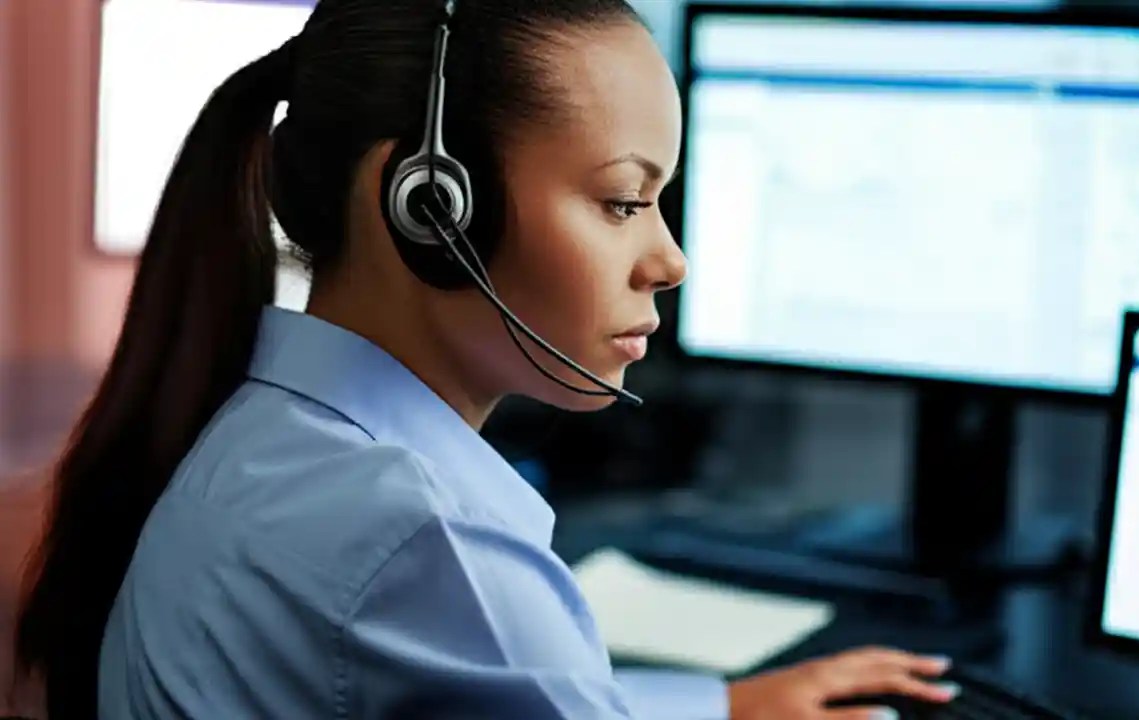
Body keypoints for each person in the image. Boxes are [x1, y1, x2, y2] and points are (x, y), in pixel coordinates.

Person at [13, 0, 962, 717]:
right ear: (430, 203)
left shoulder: (266, 438)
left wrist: (717, 706)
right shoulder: (419, 540)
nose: (669, 261)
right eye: (623, 203)